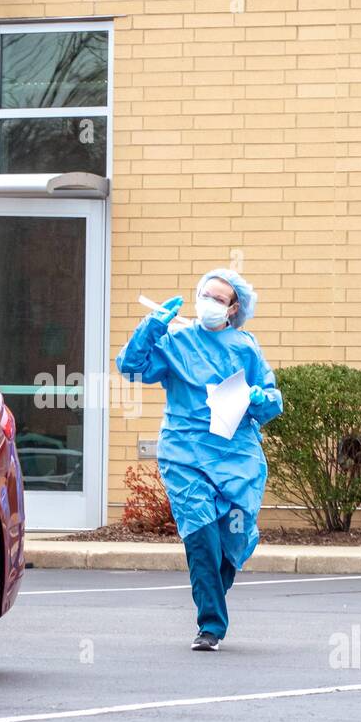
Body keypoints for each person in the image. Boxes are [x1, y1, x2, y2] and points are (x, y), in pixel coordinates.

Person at [116, 268, 284, 651]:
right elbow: (129, 366)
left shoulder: (245, 347)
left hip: (236, 456)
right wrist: (151, 327)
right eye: (204, 295)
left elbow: (273, 403)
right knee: (201, 536)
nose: (208, 303)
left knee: (231, 540)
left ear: (233, 308)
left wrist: (260, 398)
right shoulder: (176, 341)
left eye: (218, 298)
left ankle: (214, 595)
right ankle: (210, 624)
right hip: (184, 453)